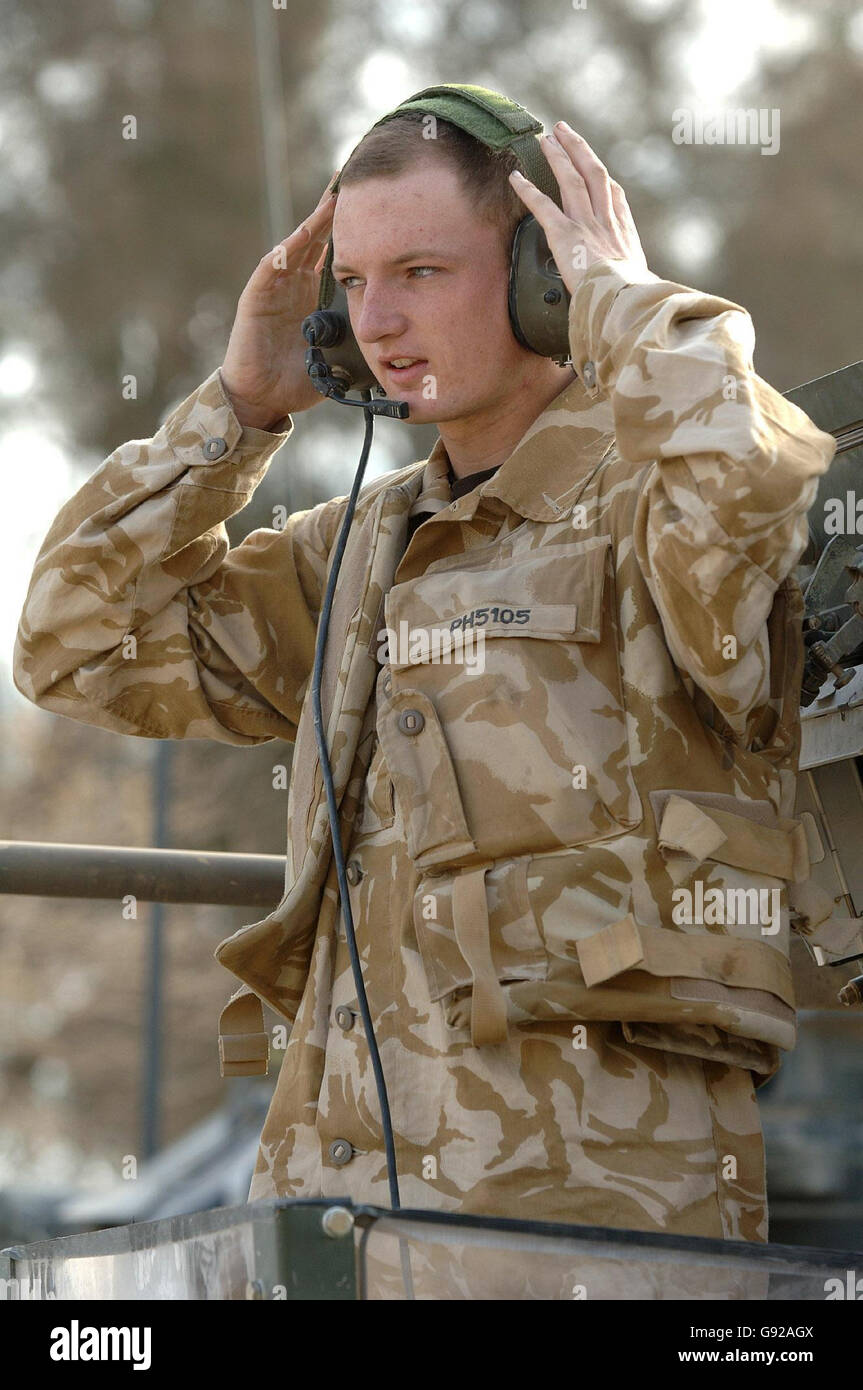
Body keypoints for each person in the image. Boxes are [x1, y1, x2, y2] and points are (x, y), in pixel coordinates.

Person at [13, 86, 836, 1285]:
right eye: (351, 285)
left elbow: (753, 481)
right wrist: (236, 416)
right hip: (336, 1220)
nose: (378, 320)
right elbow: (68, 641)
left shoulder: (656, 515)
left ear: (536, 285)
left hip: (582, 1237)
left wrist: (619, 298)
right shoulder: (349, 551)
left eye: (420, 271)